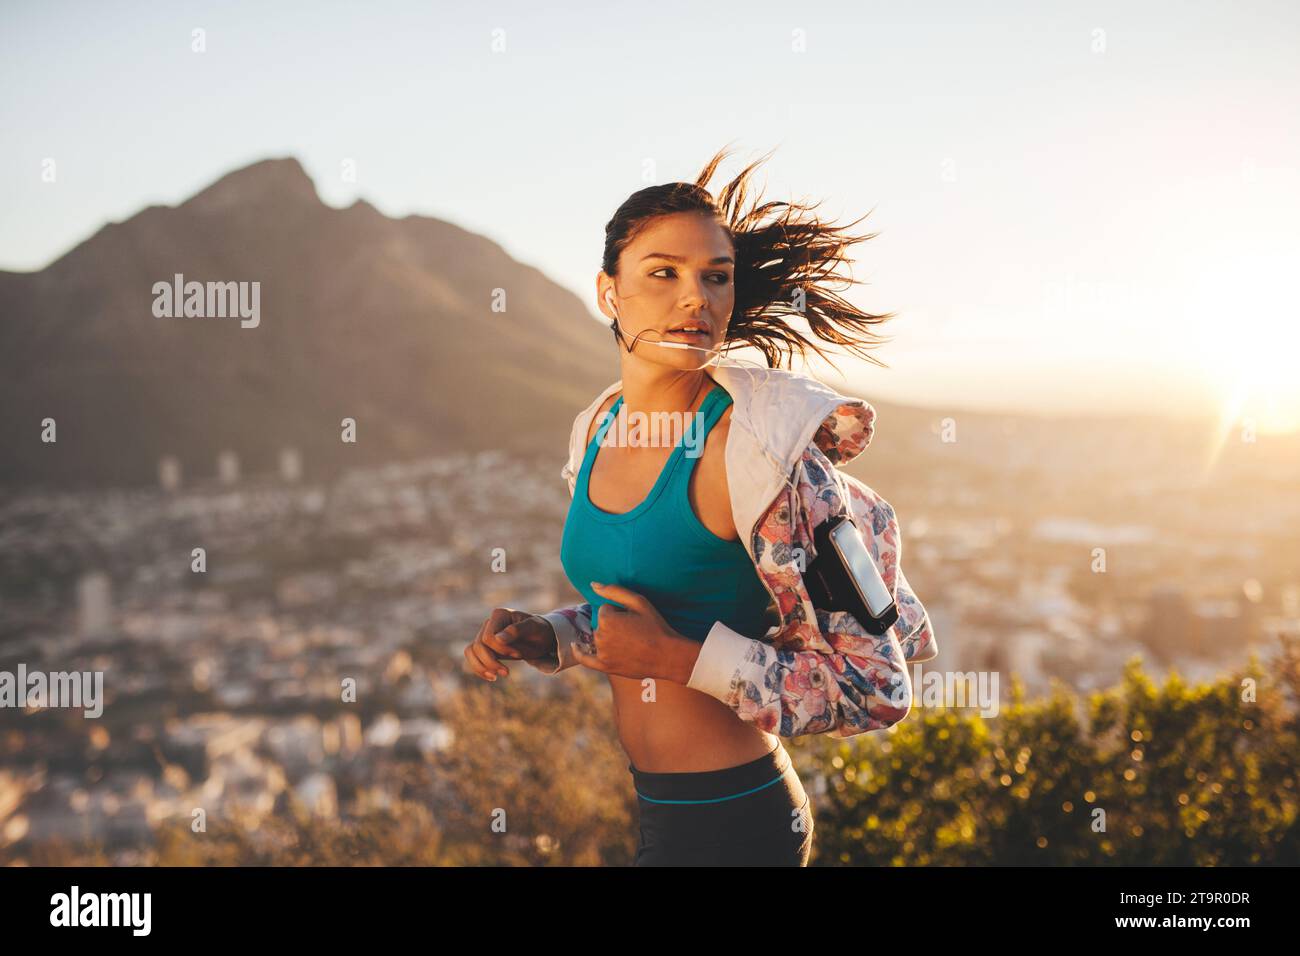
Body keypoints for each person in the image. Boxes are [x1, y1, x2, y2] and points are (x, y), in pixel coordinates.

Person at [467, 145, 936, 866]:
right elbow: (653, 603)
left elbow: (875, 689)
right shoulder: (596, 428)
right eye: (664, 273)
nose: (697, 298)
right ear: (607, 291)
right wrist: (555, 636)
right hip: (657, 807)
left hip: (740, 822)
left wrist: (675, 658)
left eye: (716, 277)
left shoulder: (763, 457)